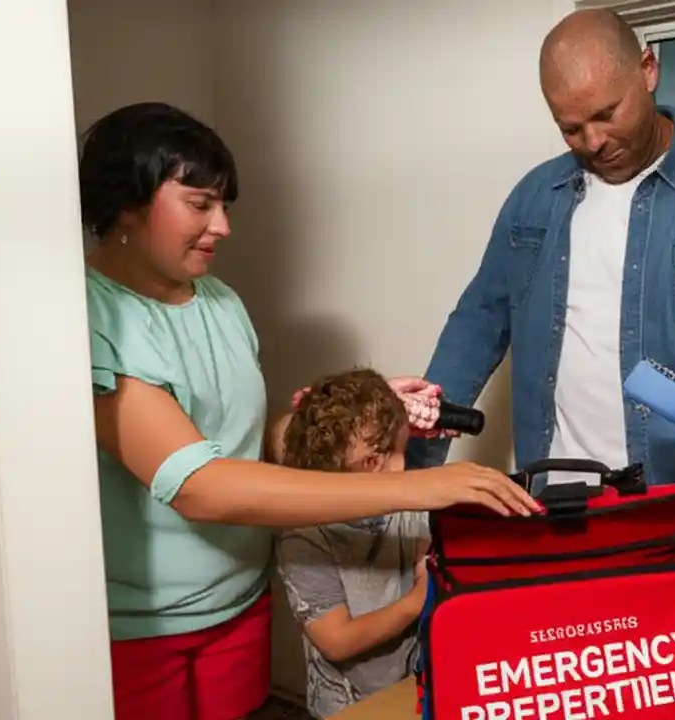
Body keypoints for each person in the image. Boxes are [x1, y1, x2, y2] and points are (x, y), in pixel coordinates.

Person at [80, 102, 538, 720]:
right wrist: (421, 487)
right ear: (127, 201)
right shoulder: (90, 318)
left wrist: (353, 419)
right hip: (138, 626)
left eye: (225, 205)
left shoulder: (218, 301)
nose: (223, 226)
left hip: (238, 603)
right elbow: (199, 485)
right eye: (200, 204)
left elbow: (241, 440)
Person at [406, 9, 675, 676]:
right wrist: (417, 472)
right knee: (573, 689)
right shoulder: (533, 199)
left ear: (649, 69)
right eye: (571, 127)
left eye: (607, 113)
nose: (594, 140)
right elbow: (478, 322)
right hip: (556, 514)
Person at [270, 368, 430, 719]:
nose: (402, 468)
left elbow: (428, 560)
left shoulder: (405, 508)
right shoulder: (304, 539)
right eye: (391, 455)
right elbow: (337, 640)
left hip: (409, 689)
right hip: (344, 707)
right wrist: (416, 601)